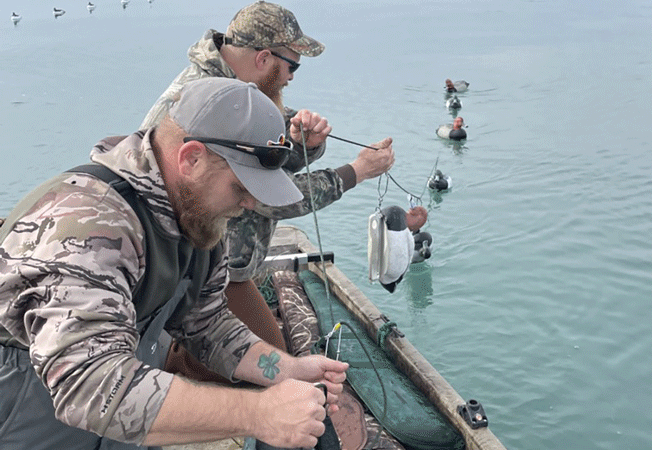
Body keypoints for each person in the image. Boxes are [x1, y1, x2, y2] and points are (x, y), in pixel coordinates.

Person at [0, 77, 348, 450]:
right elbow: (91, 386)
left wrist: (285, 370)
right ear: (191, 158)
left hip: (118, 419)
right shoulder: (89, 225)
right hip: (31, 416)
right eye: (241, 187)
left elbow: (205, 322)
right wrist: (257, 413)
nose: (249, 204)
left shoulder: (197, 216)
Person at [140, 2, 394, 361]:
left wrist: (303, 143)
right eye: (292, 65)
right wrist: (357, 171)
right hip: (200, 269)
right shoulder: (212, 102)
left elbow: (265, 162)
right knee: (272, 362)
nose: (292, 76)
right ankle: (177, 376)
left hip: (219, 264)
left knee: (253, 357)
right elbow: (264, 196)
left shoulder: (239, 90)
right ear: (262, 59)